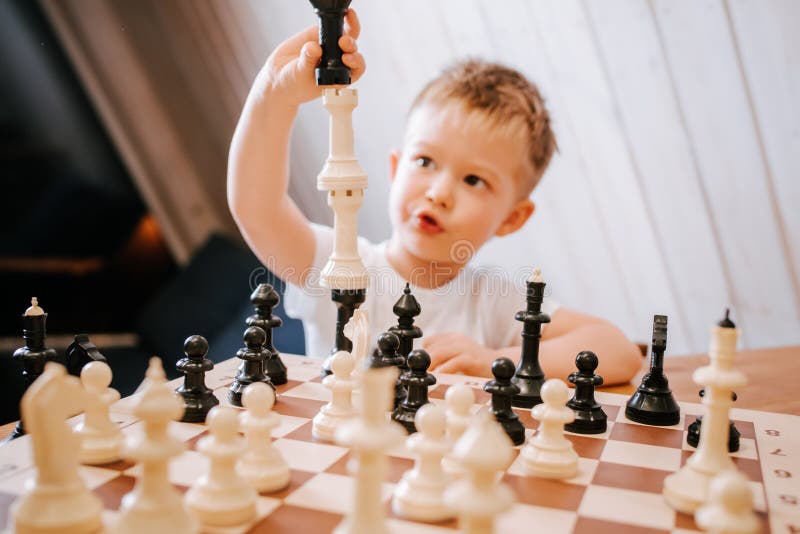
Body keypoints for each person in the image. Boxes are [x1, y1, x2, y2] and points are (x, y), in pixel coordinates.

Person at [227, 10, 642, 384]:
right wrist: (274, 93)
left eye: (474, 180)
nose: (439, 193)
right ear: (395, 169)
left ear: (511, 218)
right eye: (425, 161)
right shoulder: (342, 265)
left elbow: (619, 351)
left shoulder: (492, 301)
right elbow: (257, 209)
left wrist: (494, 360)